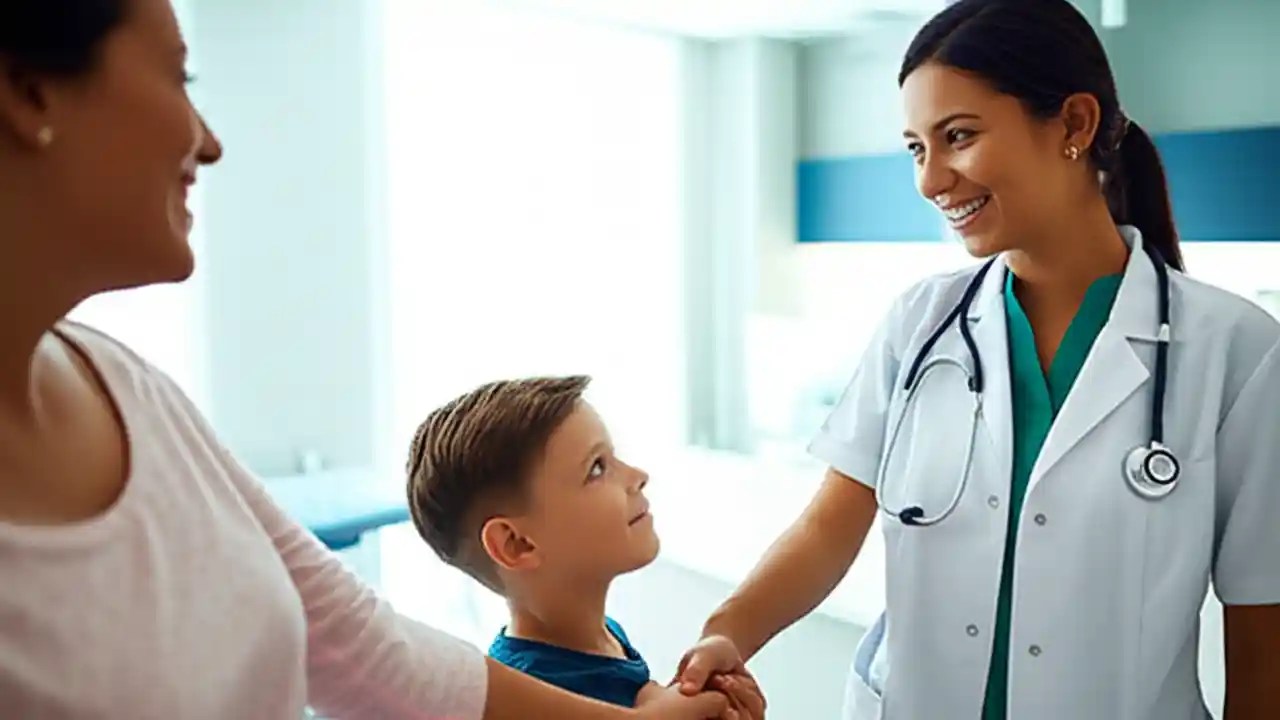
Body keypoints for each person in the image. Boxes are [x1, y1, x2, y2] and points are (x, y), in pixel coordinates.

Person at [0, 1, 732, 718]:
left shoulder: (132, 391)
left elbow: (365, 650)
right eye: (178, 79)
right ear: (28, 90)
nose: (209, 142)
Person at [674, 1, 1280, 718]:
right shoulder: (919, 324)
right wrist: (729, 632)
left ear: (1075, 126)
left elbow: (1260, 632)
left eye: (957, 136)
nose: (932, 180)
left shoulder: (1235, 350)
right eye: (915, 148)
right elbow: (827, 527)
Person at [405, 376, 765, 719]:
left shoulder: (603, 637)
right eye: (597, 468)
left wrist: (701, 695)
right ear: (517, 544)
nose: (638, 475)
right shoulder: (534, 700)